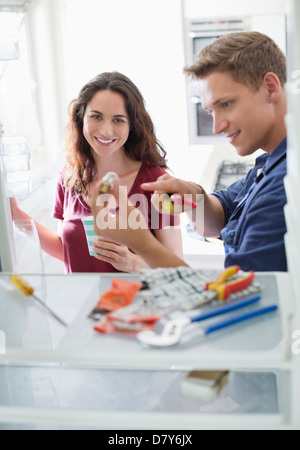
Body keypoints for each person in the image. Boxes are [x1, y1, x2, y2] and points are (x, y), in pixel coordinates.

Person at [91, 32, 288, 272]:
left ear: (270, 87)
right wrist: (196, 197)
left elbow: (238, 299)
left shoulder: (284, 185)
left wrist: (141, 243)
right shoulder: (271, 162)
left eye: (226, 104)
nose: (217, 127)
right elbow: (221, 215)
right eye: (210, 111)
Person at [10, 72, 183, 273]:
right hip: (84, 301)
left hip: (140, 302)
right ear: (81, 117)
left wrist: (133, 263)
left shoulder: (158, 182)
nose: (106, 131)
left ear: (132, 125)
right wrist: (16, 216)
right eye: (96, 117)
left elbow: (177, 266)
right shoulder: (69, 177)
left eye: (118, 120)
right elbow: (67, 250)